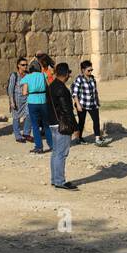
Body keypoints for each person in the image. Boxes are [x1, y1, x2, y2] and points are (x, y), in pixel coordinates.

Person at [46, 62, 79, 190]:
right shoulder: (62, 89)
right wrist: (75, 127)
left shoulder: (51, 86)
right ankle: (60, 181)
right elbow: (67, 110)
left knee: (55, 152)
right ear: (65, 74)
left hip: (53, 123)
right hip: (62, 124)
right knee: (61, 153)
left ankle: (55, 179)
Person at [19, 59, 51, 154]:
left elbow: (24, 92)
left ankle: (39, 147)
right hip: (43, 101)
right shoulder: (43, 75)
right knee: (46, 125)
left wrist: (31, 91)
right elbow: (48, 86)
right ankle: (52, 145)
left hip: (33, 102)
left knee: (35, 126)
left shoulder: (27, 77)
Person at [71, 60, 105, 144]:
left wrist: (97, 100)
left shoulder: (92, 78)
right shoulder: (79, 79)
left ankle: (97, 138)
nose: (90, 72)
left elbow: (95, 91)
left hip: (92, 104)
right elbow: (74, 93)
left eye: (91, 70)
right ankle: (79, 138)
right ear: (83, 70)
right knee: (81, 122)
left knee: (96, 120)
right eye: (88, 70)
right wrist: (78, 105)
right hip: (82, 104)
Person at [7, 57, 31, 143]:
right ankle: (17, 136)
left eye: (26, 65)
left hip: (27, 99)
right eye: (23, 65)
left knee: (29, 115)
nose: (25, 66)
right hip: (16, 100)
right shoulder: (14, 75)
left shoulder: (28, 75)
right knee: (16, 117)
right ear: (18, 66)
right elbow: (10, 89)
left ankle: (26, 133)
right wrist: (12, 101)